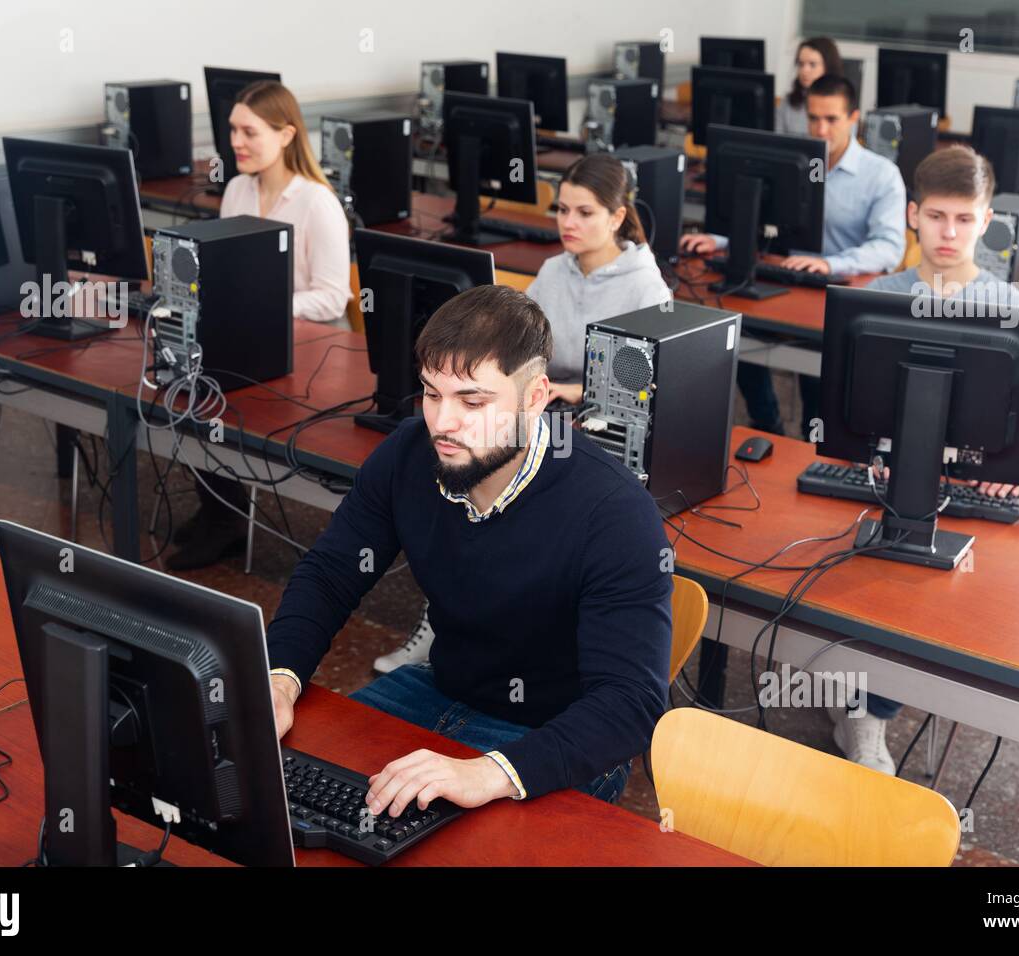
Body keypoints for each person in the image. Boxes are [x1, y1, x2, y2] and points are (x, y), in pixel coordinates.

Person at [268, 284, 672, 813]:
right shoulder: (408, 454)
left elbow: (630, 705)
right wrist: (279, 677)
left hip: (555, 738)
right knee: (277, 794)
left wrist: (490, 773)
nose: (443, 423)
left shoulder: (613, 513)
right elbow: (330, 574)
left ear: (535, 397)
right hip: (436, 690)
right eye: (432, 394)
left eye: (472, 401)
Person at [373, 152, 671, 674]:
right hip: (539, 407)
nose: (568, 223)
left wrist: (572, 390)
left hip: (598, 421)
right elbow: (517, 345)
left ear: (618, 217)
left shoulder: (647, 288)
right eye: (562, 210)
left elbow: (645, 383)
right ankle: (443, 622)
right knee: (463, 485)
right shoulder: (555, 270)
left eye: (585, 213)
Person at [832, 145, 1019, 775]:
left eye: (964, 219)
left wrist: (999, 472)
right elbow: (845, 411)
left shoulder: (1013, 308)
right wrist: (879, 455)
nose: (949, 233)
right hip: (884, 479)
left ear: (987, 221)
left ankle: (869, 708)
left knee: (936, 584)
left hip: (965, 491)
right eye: (938, 216)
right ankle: (860, 704)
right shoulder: (877, 297)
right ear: (914, 214)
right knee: (861, 569)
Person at [168, 80, 352, 571]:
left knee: (222, 397)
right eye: (232, 130)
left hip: (309, 350)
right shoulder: (237, 189)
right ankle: (219, 509)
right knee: (191, 386)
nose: (236, 142)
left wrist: (266, 307)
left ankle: (226, 519)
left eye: (249, 132)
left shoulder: (317, 203)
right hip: (248, 336)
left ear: (287, 134)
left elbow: (335, 296)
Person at [680, 74, 906, 439]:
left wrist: (831, 264)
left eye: (831, 119)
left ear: (853, 118)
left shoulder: (882, 176)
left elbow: (889, 249)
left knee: (817, 374)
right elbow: (764, 217)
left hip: (835, 289)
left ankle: (809, 434)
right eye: (813, 118)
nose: (820, 128)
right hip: (785, 279)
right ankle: (767, 421)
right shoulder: (794, 159)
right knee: (733, 328)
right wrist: (720, 239)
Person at [775, 37, 843, 136]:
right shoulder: (787, 102)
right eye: (801, 64)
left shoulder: (841, 104)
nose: (804, 70)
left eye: (812, 64)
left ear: (828, 67)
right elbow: (776, 140)